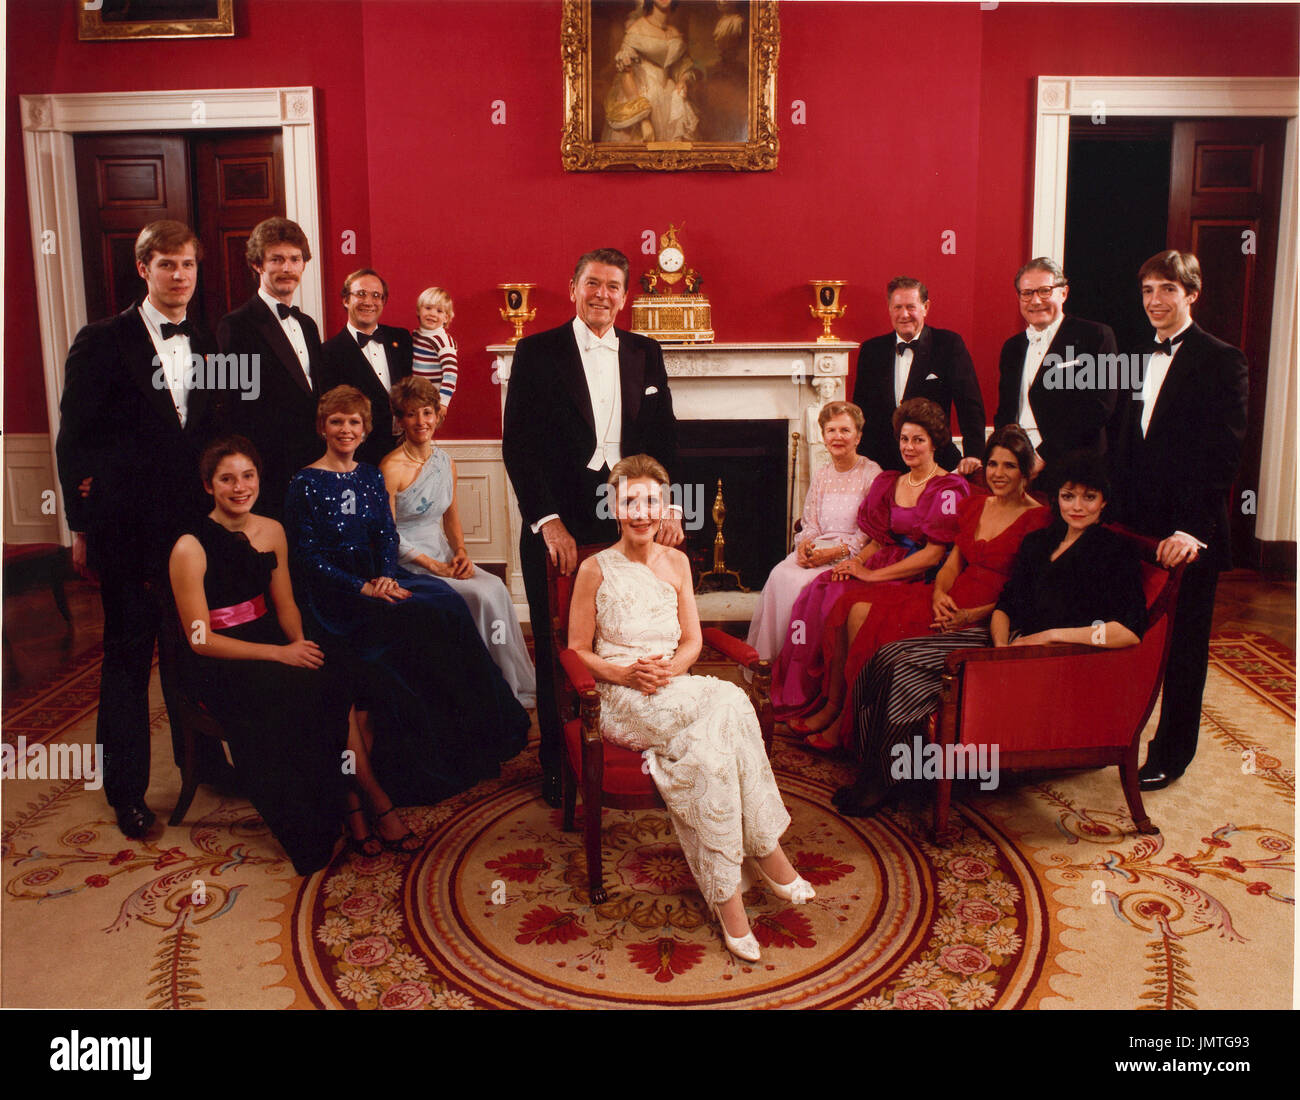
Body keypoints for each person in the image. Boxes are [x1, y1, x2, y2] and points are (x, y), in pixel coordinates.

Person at [567, 455, 815, 963]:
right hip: (622, 695)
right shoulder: (594, 569)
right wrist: (627, 673)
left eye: (650, 501)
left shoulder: (678, 562)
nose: (640, 511)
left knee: (713, 745)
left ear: (665, 508)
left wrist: (671, 670)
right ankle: (764, 860)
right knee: (729, 705)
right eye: (630, 500)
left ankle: (732, 891)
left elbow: (694, 641)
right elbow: (575, 651)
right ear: (615, 506)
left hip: (673, 685)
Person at [835, 452, 1147, 817]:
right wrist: (1001, 649)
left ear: (1104, 500)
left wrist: (1048, 638)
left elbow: (1128, 632)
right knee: (887, 656)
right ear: (1058, 497)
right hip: (1006, 643)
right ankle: (883, 767)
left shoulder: (1114, 551)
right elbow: (1006, 604)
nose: (1077, 506)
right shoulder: (1040, 542)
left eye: (1088, 497)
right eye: (1068, 495)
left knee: (906, 674)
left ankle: (884, 782)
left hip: (1055, 658)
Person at [55, 219, 229, 840]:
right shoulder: (101, 341)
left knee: (191, 648)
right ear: (143, 270)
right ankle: (125, 793)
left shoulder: (208, 342)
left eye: (188, 265)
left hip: (191, 533)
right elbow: (74, 441)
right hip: (126, 531)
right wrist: (80, 529)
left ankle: (200, 760)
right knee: (128, 661)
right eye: (167, 265)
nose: (179, 276)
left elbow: (206, 437)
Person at [284, 386, 529, 819]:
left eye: (354, 422)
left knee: (447, 609)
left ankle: (480, 731)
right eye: (337, 421)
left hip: (380, 579)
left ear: (366, 430)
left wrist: (382, 574)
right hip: (337, 599)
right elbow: (307, 558)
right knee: (423, 616)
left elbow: (385, 535)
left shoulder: (367, 475)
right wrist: (362, 586)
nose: (346, 429)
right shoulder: (304, 482)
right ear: (322, 427)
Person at [502, 247, 679, 808]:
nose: (602, 294)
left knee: (627, 634)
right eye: (592, 284)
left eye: (612, 287)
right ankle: (560, 765)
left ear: (625, 296)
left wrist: (667, 506)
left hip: (631, 520)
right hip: (560, 519)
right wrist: (548, 522)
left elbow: (664, 438)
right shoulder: (535, 351)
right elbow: (519, 446)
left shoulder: (646, 353)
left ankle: (635, 753)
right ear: (573, 286)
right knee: (562, 641)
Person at [802, 426, 1050, 751]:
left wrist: (969, 614)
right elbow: (952, 564)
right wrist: (938, 593)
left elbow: (1024, 592)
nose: (998, 474)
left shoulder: (1039, 518)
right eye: (993, 464)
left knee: (872, 622)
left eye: (1009, 466)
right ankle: (834, 707)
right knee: (852, 604)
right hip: (948, 597)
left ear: (1025, 471)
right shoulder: (978, 505)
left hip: (984, 613)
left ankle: (847, 729)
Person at [169, 437, 348, 872]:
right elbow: (199, 638)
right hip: (219, 658)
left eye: (247, 476)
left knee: (331, 679)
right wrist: (278, 655)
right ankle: (303, 831)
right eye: (226, 479)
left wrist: (300, 646)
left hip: (268, 635)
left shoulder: (272, 529)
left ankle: (343, 808)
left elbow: (285, 604)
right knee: (275, 699)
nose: (239, 487)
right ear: (209, 486)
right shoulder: (189, 547)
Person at [1109, 251, 1249, 791]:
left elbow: (1224, 453)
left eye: (1167, 289)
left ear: (1192, 294)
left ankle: (1173, 753)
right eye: (1147, 290)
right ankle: (1114, 734)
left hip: (1189, 530)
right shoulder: (1136, 351)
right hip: (1136, 524)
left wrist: (1191, 531)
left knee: (1184, 644)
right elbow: (1126, 440)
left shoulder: (1222, 359)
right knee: (1129, 635)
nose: (1155, 301)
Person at [774, 397, 970, 730]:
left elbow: (934, 554)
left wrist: (870, 574)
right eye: (905, 439)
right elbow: (877, 537)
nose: (909, 447)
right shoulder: (892, 481)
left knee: (847, 605)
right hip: (883, 560)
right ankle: (820, 699)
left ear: (935, 442)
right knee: (823, 587)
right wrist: (855, 563)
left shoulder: (949, 487)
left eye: (918, 440)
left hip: (919, 574)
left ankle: (842, 715)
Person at [380, 376, 536, 707]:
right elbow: (386, 533)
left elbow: (450, 516)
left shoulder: (445, 462)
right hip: (407, 562)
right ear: (400, 420)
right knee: (479, 594)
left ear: (437, 415)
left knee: (494, 588)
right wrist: (433, 565)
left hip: (443, 552)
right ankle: (481, 688)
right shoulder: (390, 467)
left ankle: (505, 683)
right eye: (411, 414)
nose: (421, 422)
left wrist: (462, 552)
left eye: (427, 413)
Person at [745, 401, 881, 663]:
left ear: (858, 436)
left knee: (802, 585)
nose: (837, 437)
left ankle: (797, 665)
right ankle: (772, 663)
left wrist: (835, 553)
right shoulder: (822, 474)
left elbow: (869, 532)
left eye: (845, 430)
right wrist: (805, 546)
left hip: (852, 555)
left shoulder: (871, 473)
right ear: (823, 436)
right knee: (780, 575)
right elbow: (811, 522)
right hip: (818, 547)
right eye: (831, 430)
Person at [217, 217, 325, 520]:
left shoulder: (307, 325)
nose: (287, 268)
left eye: (294, 259)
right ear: (257, 265)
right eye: (276, 259)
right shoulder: (235, 325)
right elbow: (234, 406)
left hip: (313, 463)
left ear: (304, 264)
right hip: (268, 467)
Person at [990, 258, 1119, 489]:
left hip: (1075, 469)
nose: (1035, 300)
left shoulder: (1096, 335)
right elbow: (1006, 411)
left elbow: (1099, 408)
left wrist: (1041, 456)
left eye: (1045, 291)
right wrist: (1006, 458)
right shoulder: (1012, 347)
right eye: (1027, 293)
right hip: (1018, 467)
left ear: (1064, 293)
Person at [852, 277, 986, 474]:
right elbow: (860, 412)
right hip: (881, 465)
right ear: (889, 308)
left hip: (936, 460)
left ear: (926, 307)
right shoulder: (871, 350)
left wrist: (974, 453)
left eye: (910, 307)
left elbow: (969, 404)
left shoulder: (948, 344)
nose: (904, 314)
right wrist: (860, 461)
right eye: (897, 307)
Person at [319, 269, 413, 466]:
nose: (368, 302)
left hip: (405, 453)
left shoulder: (402, 339)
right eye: (360, 294)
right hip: (359, 459)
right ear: (345, 300)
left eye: (376, 295)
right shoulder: (327, 353)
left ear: (383, 302)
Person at [602, 0, 698, 144]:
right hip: (642, 97)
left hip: (669, 100)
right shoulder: (637, 29)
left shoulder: (675, 33)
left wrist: (683, 80)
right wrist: (643, 121)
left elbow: (683, 66)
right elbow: (626, 74)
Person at [411, 286, 458, 415]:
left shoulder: (442, 340)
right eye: (428, 308)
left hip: (431, 399)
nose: (432, 314)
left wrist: (443, 401)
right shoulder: (416, 335)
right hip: (414, 395)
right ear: (418, 311)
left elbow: (451, 373)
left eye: (439, 311)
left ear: (446, 318)